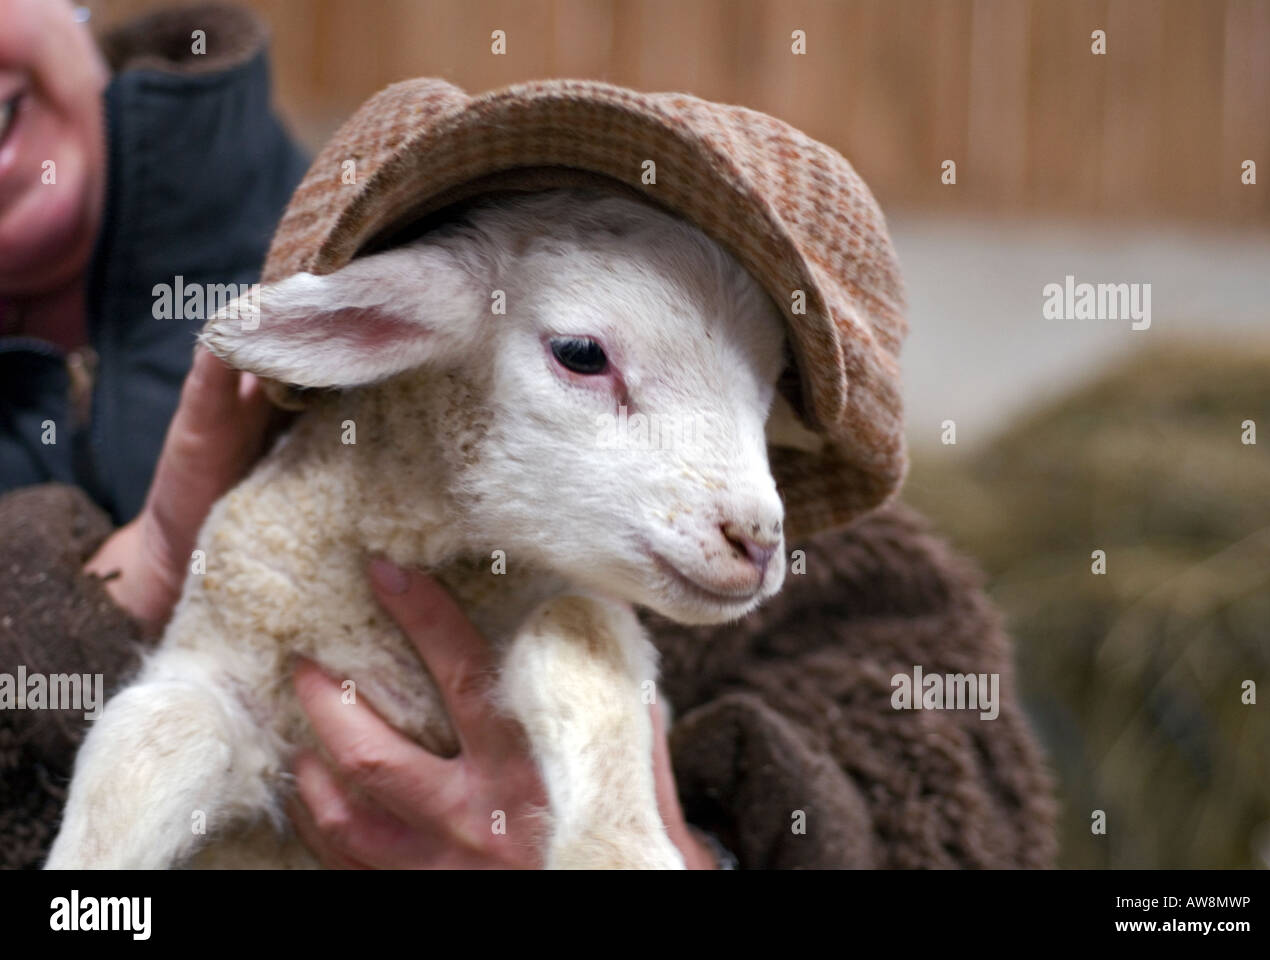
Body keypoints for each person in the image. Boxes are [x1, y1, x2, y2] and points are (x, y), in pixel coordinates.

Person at [0, 1, 1057, 870]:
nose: (759, 513)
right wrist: (144, 566)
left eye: (763, 387)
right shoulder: (349, 401)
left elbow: (961, 783)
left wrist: (704, 854)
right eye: (586, 359)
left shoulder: (553, 275)